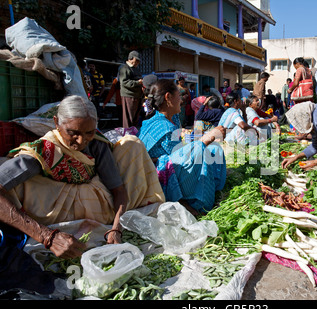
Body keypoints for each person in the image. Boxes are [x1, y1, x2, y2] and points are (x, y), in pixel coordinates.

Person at [0, 95, 165, 256]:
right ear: (57, 123)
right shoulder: (44, 151)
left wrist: (116, 228)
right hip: (52, 214)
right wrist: (46, 236)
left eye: (89, 132)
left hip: (99, 206)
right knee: (19, 186)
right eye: (73, 133)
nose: (81, 141)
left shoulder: (97, 144)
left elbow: (119, 190)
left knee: (132, 144)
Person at [138, 79, 227, 214]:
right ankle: (189, 202)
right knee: (201, 148)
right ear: (168, 97)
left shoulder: (169, 120)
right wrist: (205, 140)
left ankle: (211, 188)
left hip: (171, 168)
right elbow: (176, 160)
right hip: (160, 180)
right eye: (179, 96)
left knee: (214, 149)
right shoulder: (162, 126)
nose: (182, 100)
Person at [119, 51, 144, 129]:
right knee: (128, 119)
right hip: (129, 96)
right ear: (130, 58)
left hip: (137, 96)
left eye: (138, 61)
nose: (137, 63)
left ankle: (133, 134)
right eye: (136, 60)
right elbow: (124, 82)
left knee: (135, 118)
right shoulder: (124, 68)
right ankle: (127, 136)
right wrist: (138, 82)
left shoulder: (136, 69)